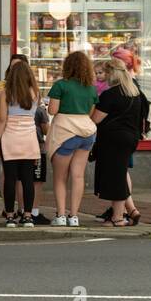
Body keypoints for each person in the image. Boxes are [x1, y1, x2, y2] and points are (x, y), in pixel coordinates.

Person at [91, 58, 148, 227]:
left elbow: (95, 119)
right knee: (119, 176)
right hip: (130, 139)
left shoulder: (110, 94)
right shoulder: (134, 93)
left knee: (115, 178)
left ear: (110, 74)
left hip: (112, 140)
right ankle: (130, 211)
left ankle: (117, 217)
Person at [47, 51, 99, 227]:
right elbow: (90, 113)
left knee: (60, 178)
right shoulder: (91, 88)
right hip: (87, 134)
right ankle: (74, 216)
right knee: (78, 176)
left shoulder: (61, 85)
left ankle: (61, 215)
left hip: (65, 133)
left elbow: (52, 111)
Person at [0, 58, 41, 226]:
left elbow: (2, 119)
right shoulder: (35, 92)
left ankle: (10, 215)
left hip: (10, 138)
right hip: (29, 138)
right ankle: (27, 215)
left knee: (10, 179)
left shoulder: (7, 93)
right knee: (28, 179)